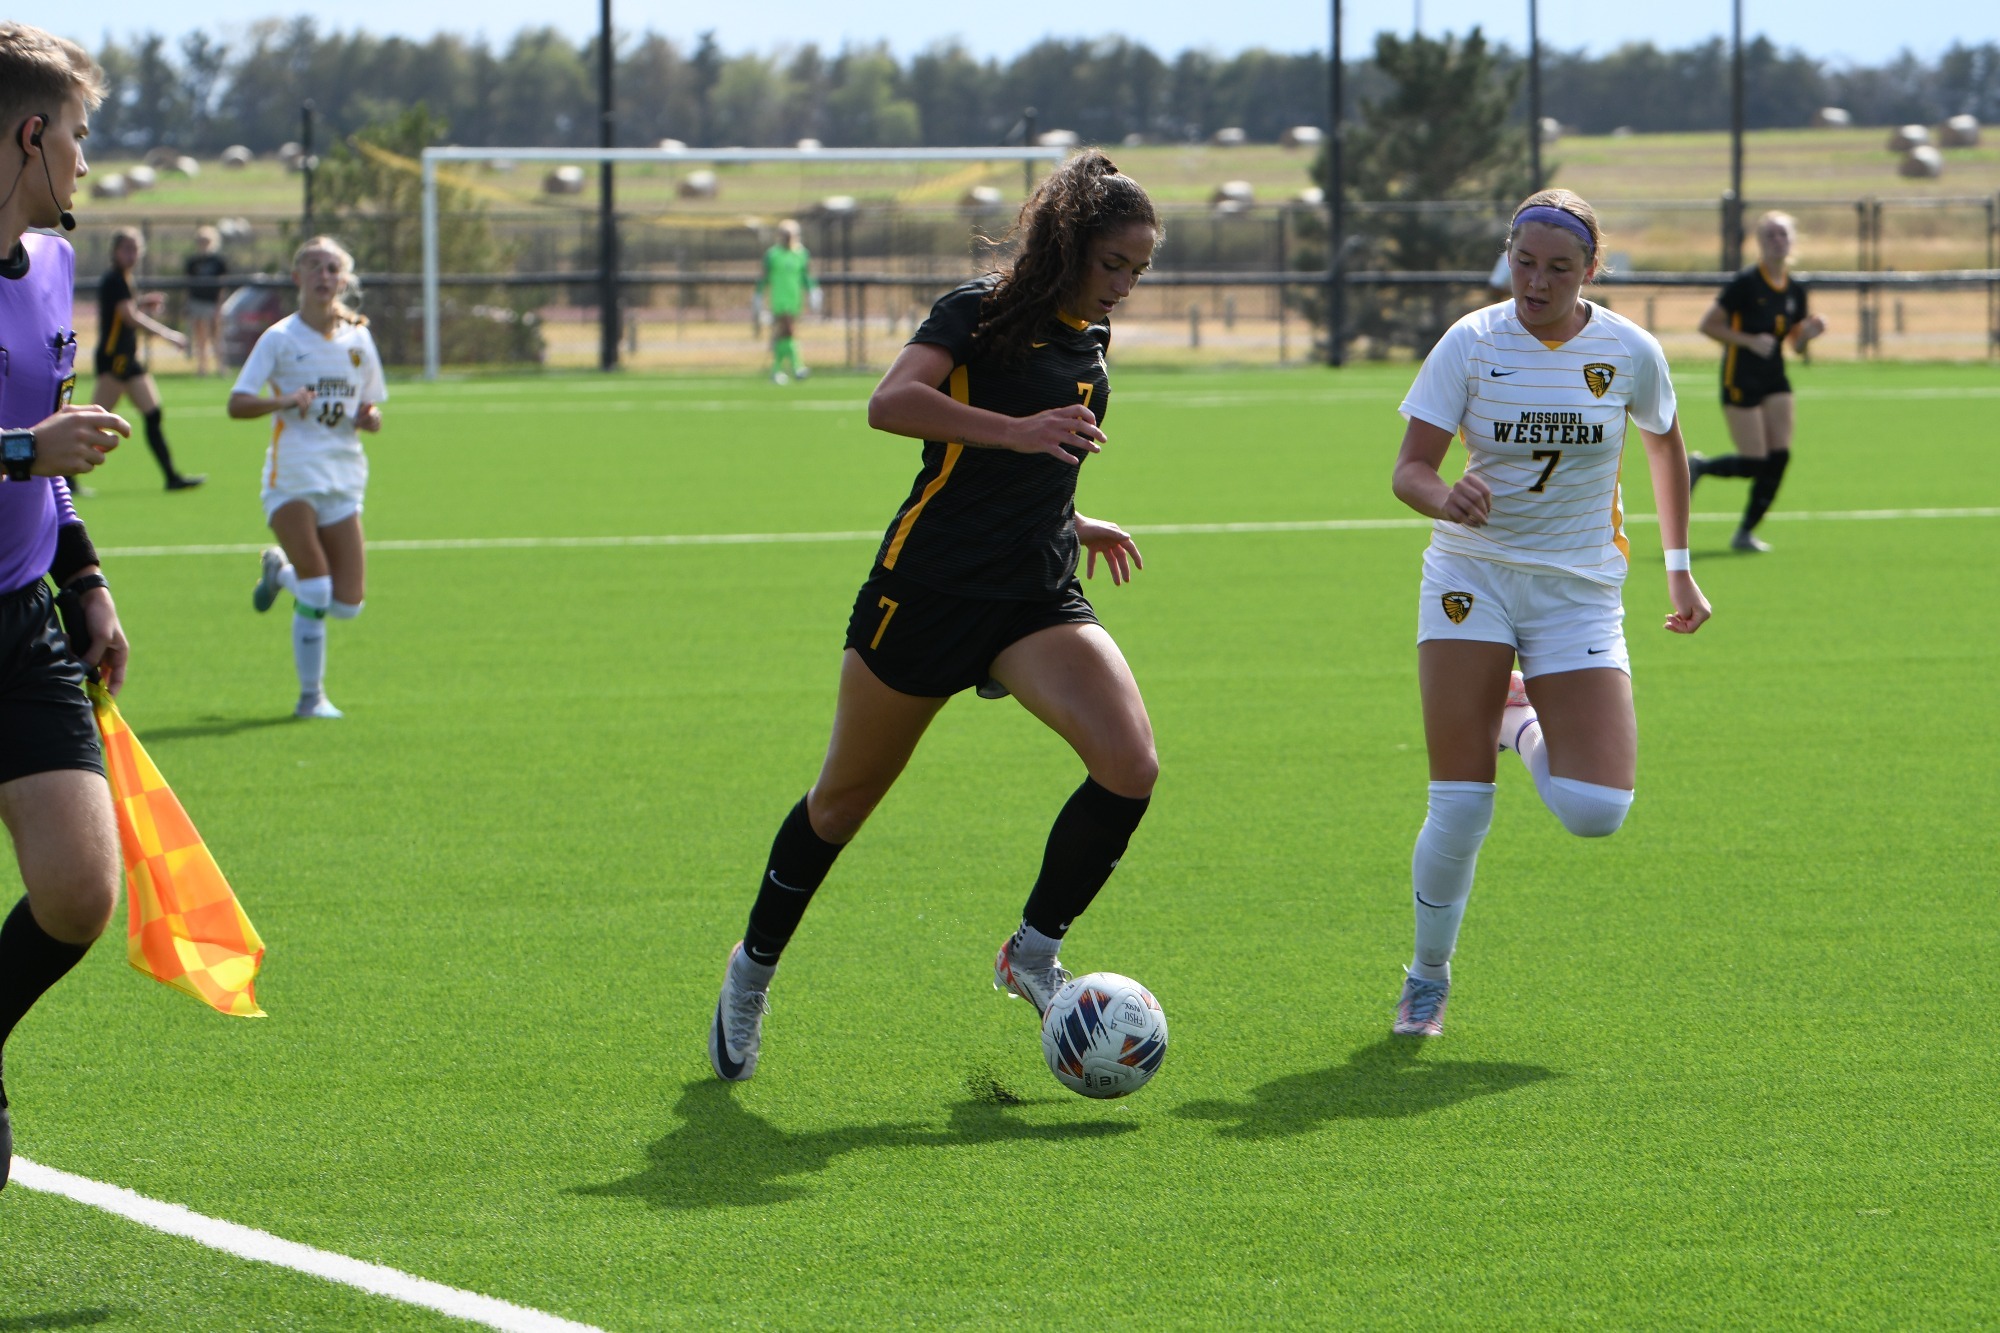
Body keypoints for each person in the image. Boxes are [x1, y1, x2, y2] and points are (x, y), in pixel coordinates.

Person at [709, 152, 1161, 1082]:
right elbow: (891, 404)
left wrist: (1073, 518)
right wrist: (1021, 432)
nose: (1124, 286)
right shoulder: (978, 313)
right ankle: (751, 971)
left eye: (1139, 271)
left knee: (1129, 765)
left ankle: (1033, 950)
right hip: (929, 591)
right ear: (1070, 247)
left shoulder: (1091, 342)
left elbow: (1031, 465)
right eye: (1114, 264)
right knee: (843, 801)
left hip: (1033, 593)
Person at [1386, 188, 1712, 1038]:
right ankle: (1427, 976)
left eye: (1558, 268)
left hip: (1579, 588)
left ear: (1590, 270)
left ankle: (1518, 715)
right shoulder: (1471, 341)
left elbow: (1666, 442)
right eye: (1524, 262)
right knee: (1461, 807)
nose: (1535, 281)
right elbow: (1410, 468)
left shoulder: (1628, 350)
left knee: (1596, 809)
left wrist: (1679, 571)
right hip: (1473, 576)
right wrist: (1443, 496)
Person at [0, 22, 137, 1192]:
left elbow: (45, 452)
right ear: (29, 135)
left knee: (83, 890)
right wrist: (18, 450)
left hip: (20, 619)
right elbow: (25, 443)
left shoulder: (51, 266)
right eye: (80, 138)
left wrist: (84, 576)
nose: (89, 164)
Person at [230, 236, 386, 720]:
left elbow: (369, 401)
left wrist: (369, 416)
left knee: (347, 604)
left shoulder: (358, 338)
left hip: (343, 477)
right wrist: (281, 400)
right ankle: (311, 697)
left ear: (344, 279)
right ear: (297, 278)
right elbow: (238, 402)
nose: (324, 277)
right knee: (317, 591)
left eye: (333, 268)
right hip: (292, 476)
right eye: (315, 267)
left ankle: (279, 573)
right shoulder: (279, 338)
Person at [1691, 211, 1827, 552]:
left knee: (1779, 457)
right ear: (1760, 243)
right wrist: (1749, 340)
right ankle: (1700, 467)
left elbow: (1795, 344)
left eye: (1782, 235)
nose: (1777, 241)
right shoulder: (1746, 283)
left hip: (1774, 377)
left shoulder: (1796, 289)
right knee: (1754, 461)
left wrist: (1809, 334)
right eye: (1770, 235)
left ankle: (1745, 532)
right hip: (1741, 376)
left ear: (1792, 241)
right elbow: (1708, 325)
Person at [92, 225, 201, 489]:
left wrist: (141, 303)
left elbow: (126, 310)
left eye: (135, 249)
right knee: (96, 422)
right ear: (115, 251)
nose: (132, 254)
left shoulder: (126, 279)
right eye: (126, 249)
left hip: (128, 359)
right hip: (115, 359)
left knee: (153, 414)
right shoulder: (114, 279)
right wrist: (169, 334)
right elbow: (128, 317)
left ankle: (171, 477)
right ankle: (64, 478)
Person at [754, 219, 821, 384]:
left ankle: (777, 370)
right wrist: (758, 295)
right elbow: (764, 277)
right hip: (779, 299)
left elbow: (806, 276)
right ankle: (797, 366)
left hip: (795, 299)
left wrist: (813, 291)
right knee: (789, 330)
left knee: (783, 335)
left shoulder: (801, 254)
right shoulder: (773, 254)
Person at [183, 224, 228, 378]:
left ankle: (221, 367)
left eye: (206, 240)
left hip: (212, 302)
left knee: (216, 335)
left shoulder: (218, 261)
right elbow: (188, 284)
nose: (203, 244)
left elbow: (222, 284)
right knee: (200, 336)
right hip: (197, 301)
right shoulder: (193, 262)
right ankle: (203, 368)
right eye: (201, 240)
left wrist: (219, 305)